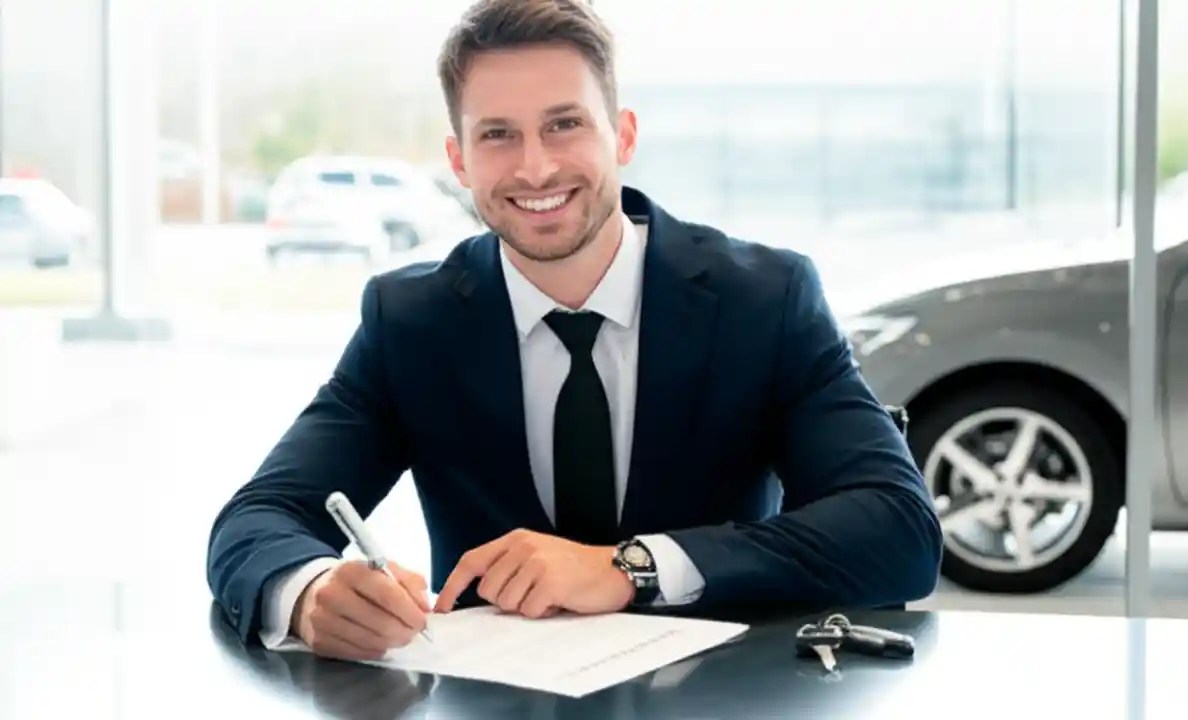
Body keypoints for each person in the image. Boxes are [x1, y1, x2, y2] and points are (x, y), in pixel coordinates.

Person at [207, 0, 942, 661]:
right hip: (496, 702)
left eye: (564, 124)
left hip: (716, 700)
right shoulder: (411, 321)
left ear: (623, 135)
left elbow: (898, 529)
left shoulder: (765, 299)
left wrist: (629, 567)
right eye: (498, 135)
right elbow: (260, 516)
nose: (535, 168)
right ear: (459, 160)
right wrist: (307, 591)